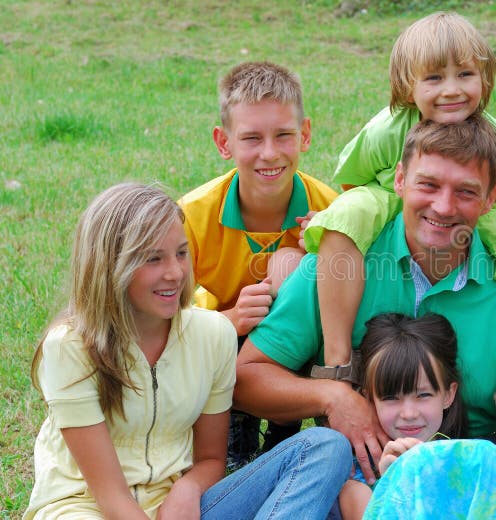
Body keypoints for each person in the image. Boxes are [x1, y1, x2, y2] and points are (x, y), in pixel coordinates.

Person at [236, 117, 496, 520]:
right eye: (428, 185)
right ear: (400, 179)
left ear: (490, 199)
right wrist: (333, 396)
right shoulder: (340, 264)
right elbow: (246, 379)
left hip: (471, 483)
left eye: (466, 192)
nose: (444, 207)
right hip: (362, 473)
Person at [302, 12, 496, 457]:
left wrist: (469, 213)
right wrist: (368, 216)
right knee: (345, 217)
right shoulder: (386, 130)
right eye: (434, 78)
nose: (451, 90)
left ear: (485, 79)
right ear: (407, 86)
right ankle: (338, 364)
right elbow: (355, 180)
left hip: (472, 206)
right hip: (390, 195)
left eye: (465, 75)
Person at [24, 183, 351, 519]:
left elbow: (210, 459)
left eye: (181, 253)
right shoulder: (69, 347)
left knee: (325, 448)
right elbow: (110, 496)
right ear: (109, 267)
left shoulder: (213, 334)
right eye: (153, 259)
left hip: (178, 509)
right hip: (86, 508)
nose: (175, 273)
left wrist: (190, 487)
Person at [179, 60, 338, 468]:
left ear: (305, 135)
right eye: (251, 138)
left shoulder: (331, 211)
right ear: (224, 142)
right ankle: (233, 423)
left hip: (297, 342)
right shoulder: (191, 217)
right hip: (219, 337)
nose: (269, 153)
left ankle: (285, 428)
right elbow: (160, 316)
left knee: (293, 266)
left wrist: (330, 249)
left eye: (283, 135)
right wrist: (229, 320)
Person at [339, 312, 496, 520]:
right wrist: (394, 483)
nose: (409, 414)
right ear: (370, 400)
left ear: (448, 395)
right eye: (390, 398)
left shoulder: (475, 465)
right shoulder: (357, 486)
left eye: (423, 395)